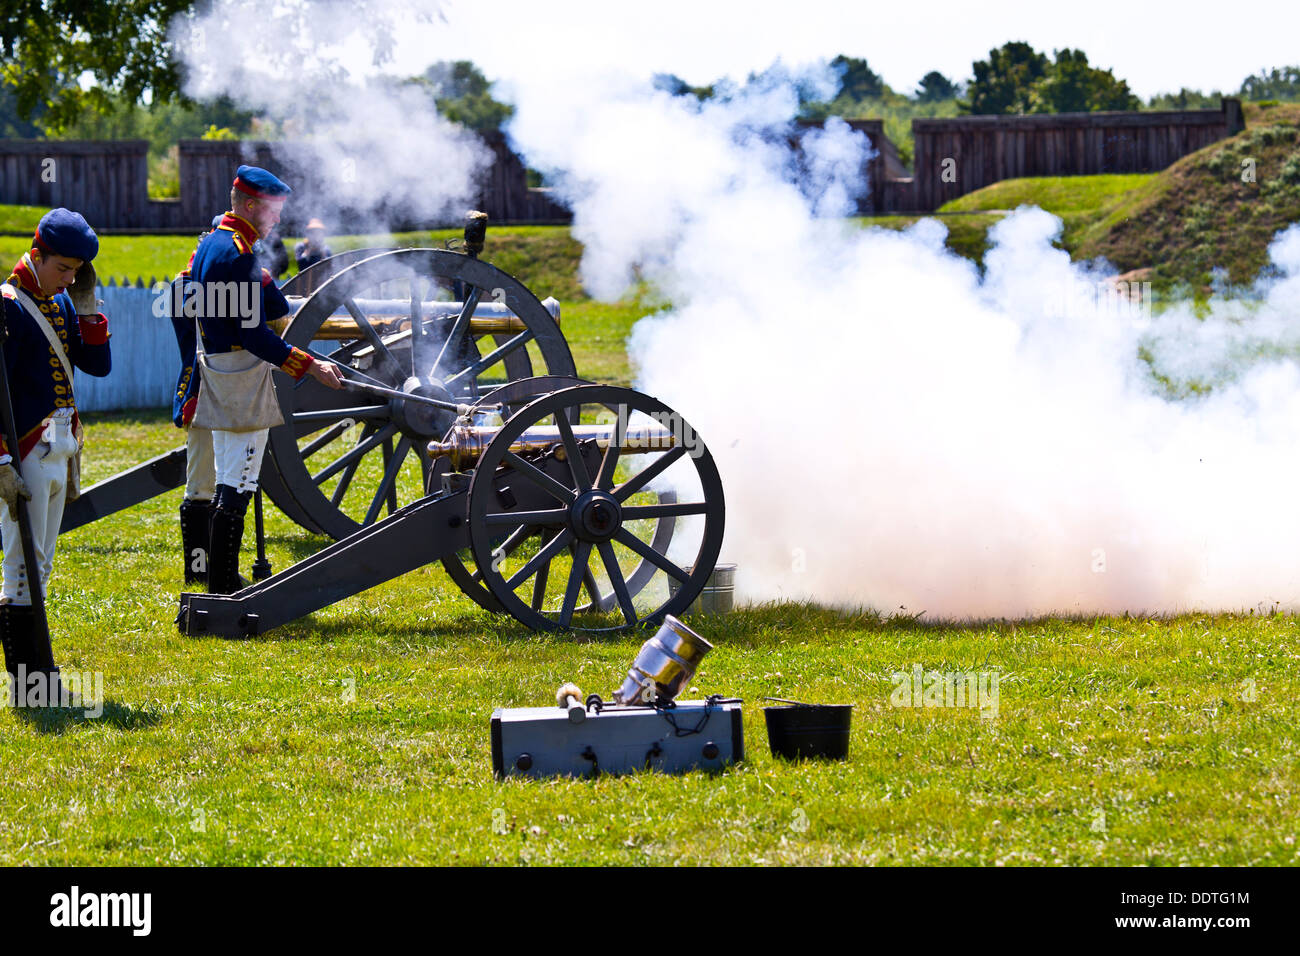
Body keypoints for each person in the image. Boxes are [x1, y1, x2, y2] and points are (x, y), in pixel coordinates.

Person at [181, 165, 343, 594]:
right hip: (239, 373)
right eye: (272, 211)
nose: (276, 220)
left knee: (229, 478)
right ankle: (222, 586)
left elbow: (260, 301)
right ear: (250, 205)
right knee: (240, 480)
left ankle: (221, 579)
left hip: (219, 366)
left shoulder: (215, 246)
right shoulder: (237, 254)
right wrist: (309, 364)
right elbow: (253, 333)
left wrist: (263, 280)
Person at [0, 208, 111, 682]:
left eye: (75, 272)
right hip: (25, 447)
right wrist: (2, 460)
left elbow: (98, 366)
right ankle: (31, 674)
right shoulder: (8, 303)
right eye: (62, 268)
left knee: (39, 563)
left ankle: (35, 668)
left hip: (59, 447)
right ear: (37, 254)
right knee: (22, 565)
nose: (68, 279)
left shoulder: (63, 302)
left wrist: (87, 310)